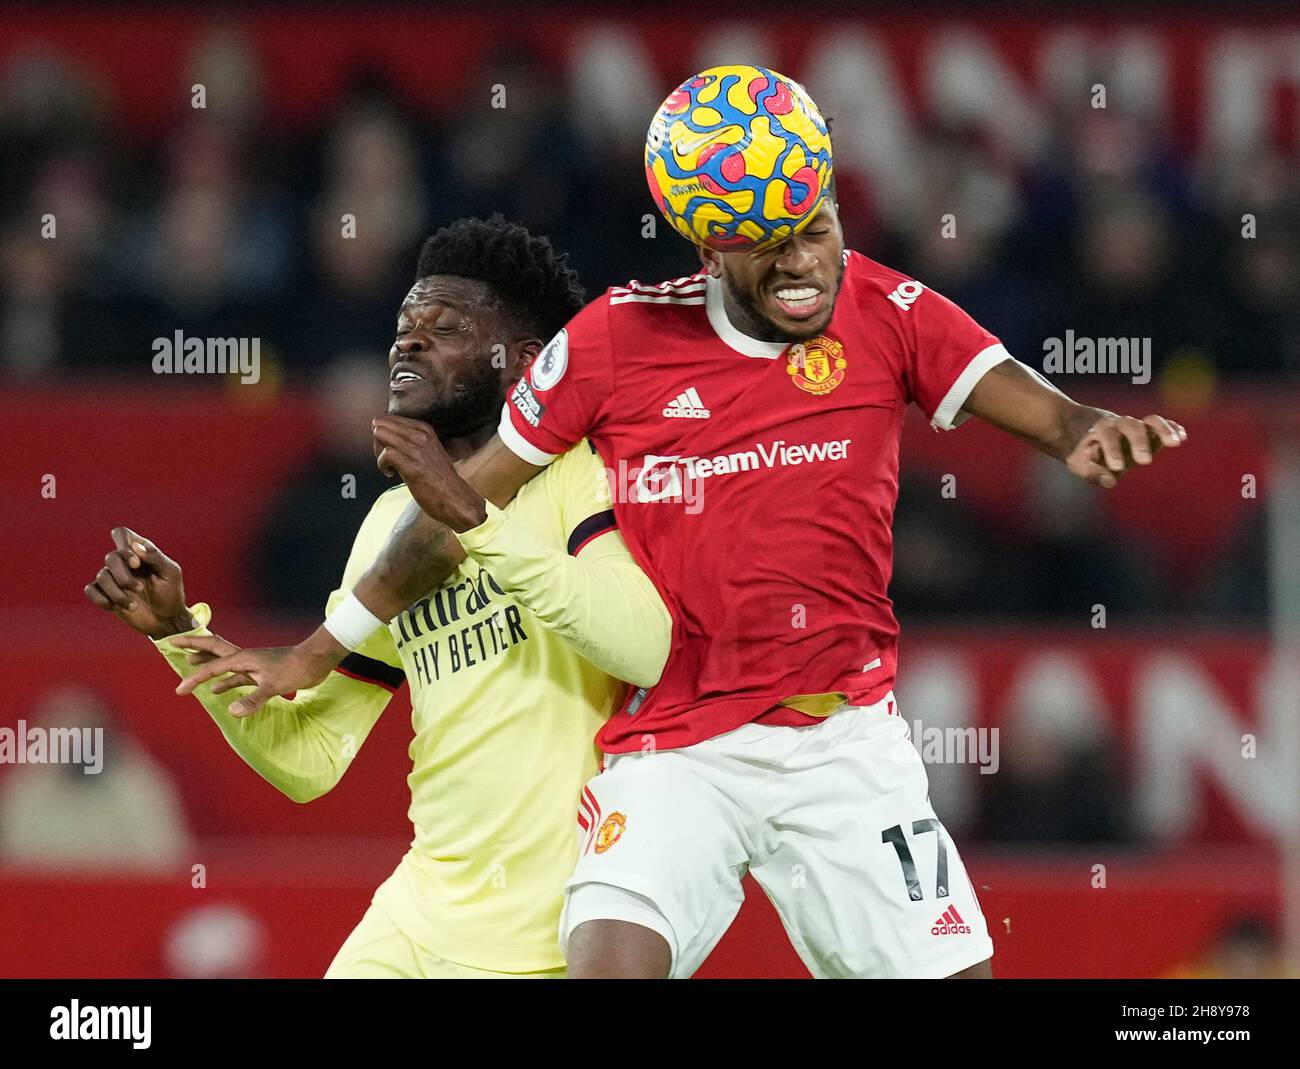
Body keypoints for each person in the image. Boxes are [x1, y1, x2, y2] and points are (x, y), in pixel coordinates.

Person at [185, 69, 1187, 979]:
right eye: (766, 242)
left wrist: (1082, 428)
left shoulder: (887, 309)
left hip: (841, 740)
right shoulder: (616, 340)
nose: (804, 262)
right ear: (710, 245)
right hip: (676, 746)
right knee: (607, 966)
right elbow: (455, 510)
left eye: (817, 225)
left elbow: (1029, 401)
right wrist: (318, 652)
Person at [84, 216, 671, 978]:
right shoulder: (387, 524)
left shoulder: (581, 476)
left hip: (557, 937)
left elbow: (646, 645)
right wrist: (173, 628)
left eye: (447, 326)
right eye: (406, 324)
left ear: (526, 362)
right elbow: (313, 757)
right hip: (415, 923)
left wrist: (474, 517)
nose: (410, 340)